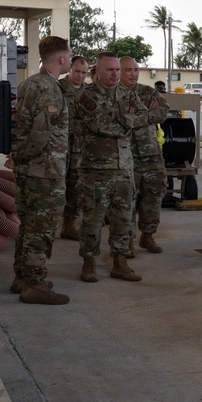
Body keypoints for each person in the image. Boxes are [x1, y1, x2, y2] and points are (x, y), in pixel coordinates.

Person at [9, 36, 73, 305]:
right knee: (42, 229)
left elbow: (18, 125)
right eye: (69, 55)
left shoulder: (28, 84)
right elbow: (40, 134)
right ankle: (35, 284)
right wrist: (23, 156)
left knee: (29, 226)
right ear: (60, 58)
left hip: (30, 170)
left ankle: (22, 277)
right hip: (44, 171)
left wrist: (18, 158)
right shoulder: (48, 88)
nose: (70, 59)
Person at [75, 52, 145, 282]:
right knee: (93, 218)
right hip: (96, 170)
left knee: (123, 218)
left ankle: (119, 262)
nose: (115, 74)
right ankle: (89, 262)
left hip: (125, 168)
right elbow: (101, 125)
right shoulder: (86, 96)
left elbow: (145, 116)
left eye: (117, 70)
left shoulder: (128, 94)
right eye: (110, 70)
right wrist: (127, 122)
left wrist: (122, 119)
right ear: (98, 71)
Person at [120, 57, 169, 254]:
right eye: (128, 70)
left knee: (155, 195)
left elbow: (163, 113)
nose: (133, 73)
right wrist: (146, 114)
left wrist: (134, 117)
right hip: (126, 155)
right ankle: (127, 240)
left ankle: (147, 236)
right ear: (119, 71)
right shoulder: (114, 94)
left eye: (136, 70)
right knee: (127, 199)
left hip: (151, 154)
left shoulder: (148, 92)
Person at [58, 55, 89, 241]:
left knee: (75, 187)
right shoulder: (58, 88)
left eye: (84, 73)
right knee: (56, 186)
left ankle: (69, 226)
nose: (80, 76)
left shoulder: (89, 92)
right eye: (77, 71)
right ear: (70, 69)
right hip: (60, 146)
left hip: (80, 148)